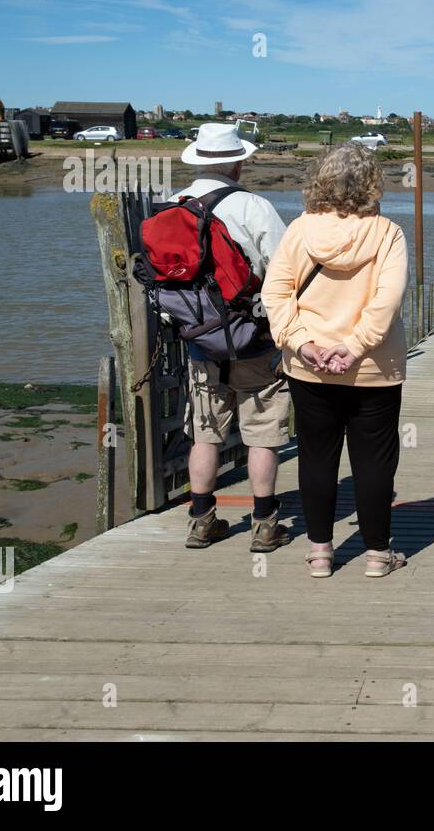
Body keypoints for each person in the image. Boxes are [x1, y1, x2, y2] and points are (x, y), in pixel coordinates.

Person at [262, 143, 408, 579]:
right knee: (375, 462)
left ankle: (320, 554)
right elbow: (387, 302)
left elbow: (276, 294)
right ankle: (379, 556)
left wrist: (303, 343)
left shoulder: (299, 230)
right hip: (374, 368)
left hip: (310, 367)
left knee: (316, 458)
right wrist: (356, 346)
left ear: (319, 179)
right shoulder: (388, 233)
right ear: (371, 184)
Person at [172, 123, 293, 554]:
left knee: (205, 433)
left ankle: (202, 522)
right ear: (236, 161)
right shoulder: (254, 206)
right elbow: (284, 271)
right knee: (261, 433)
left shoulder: (172, 206)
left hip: (199, 340)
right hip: (253, 337)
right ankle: (264, 526)